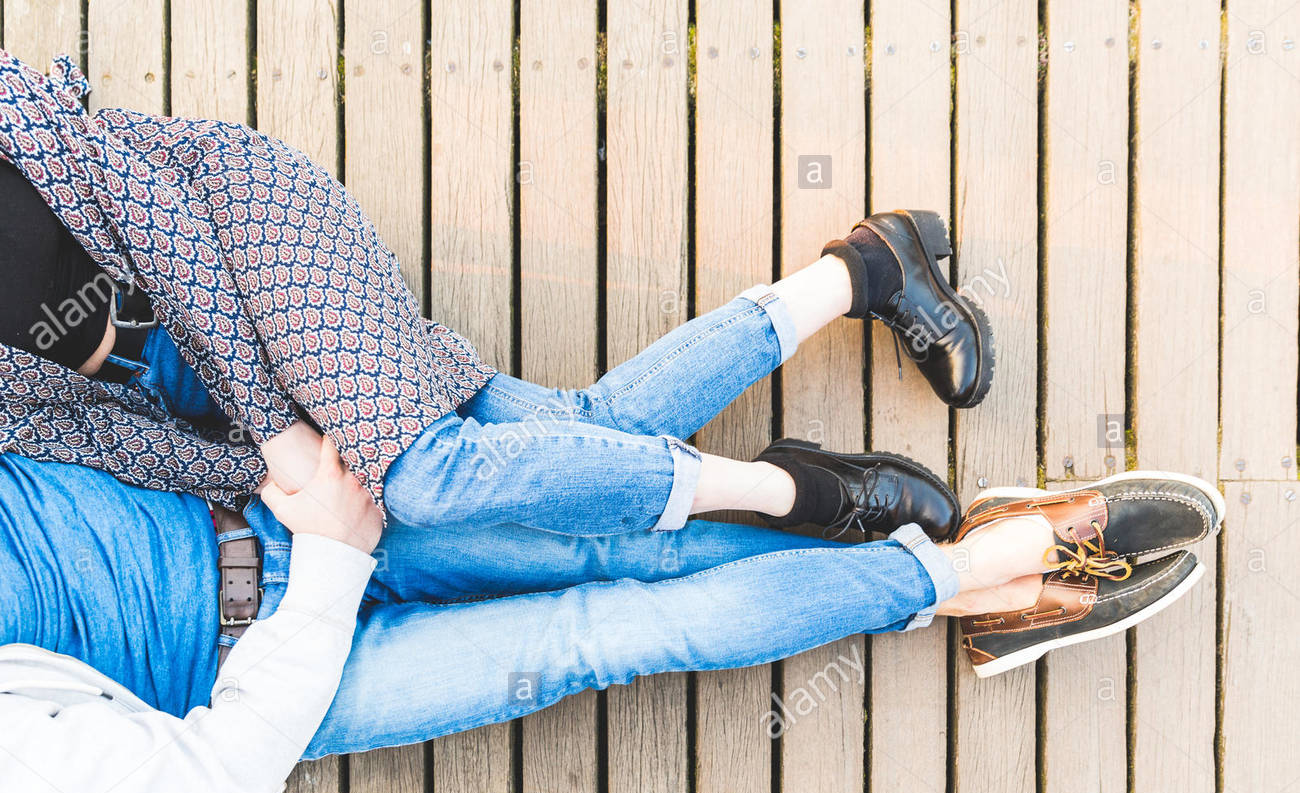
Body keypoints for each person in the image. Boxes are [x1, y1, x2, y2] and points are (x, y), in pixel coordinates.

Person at [0, 440, 1221, 793]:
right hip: (275, 668)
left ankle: (963, 595)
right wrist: (328, 553)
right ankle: (984, 568)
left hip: (259, 493)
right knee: (613, 626)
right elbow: (221, 775)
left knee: (620, 556)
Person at [0, 50, 983, 545]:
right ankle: (865, 268)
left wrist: (268, 429)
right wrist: (245, 474)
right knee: (582, 426)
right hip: (185, 381)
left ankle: (796, 492)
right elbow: (70, 429)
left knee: (426, 480)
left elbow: (161, 230)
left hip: (242, 239)